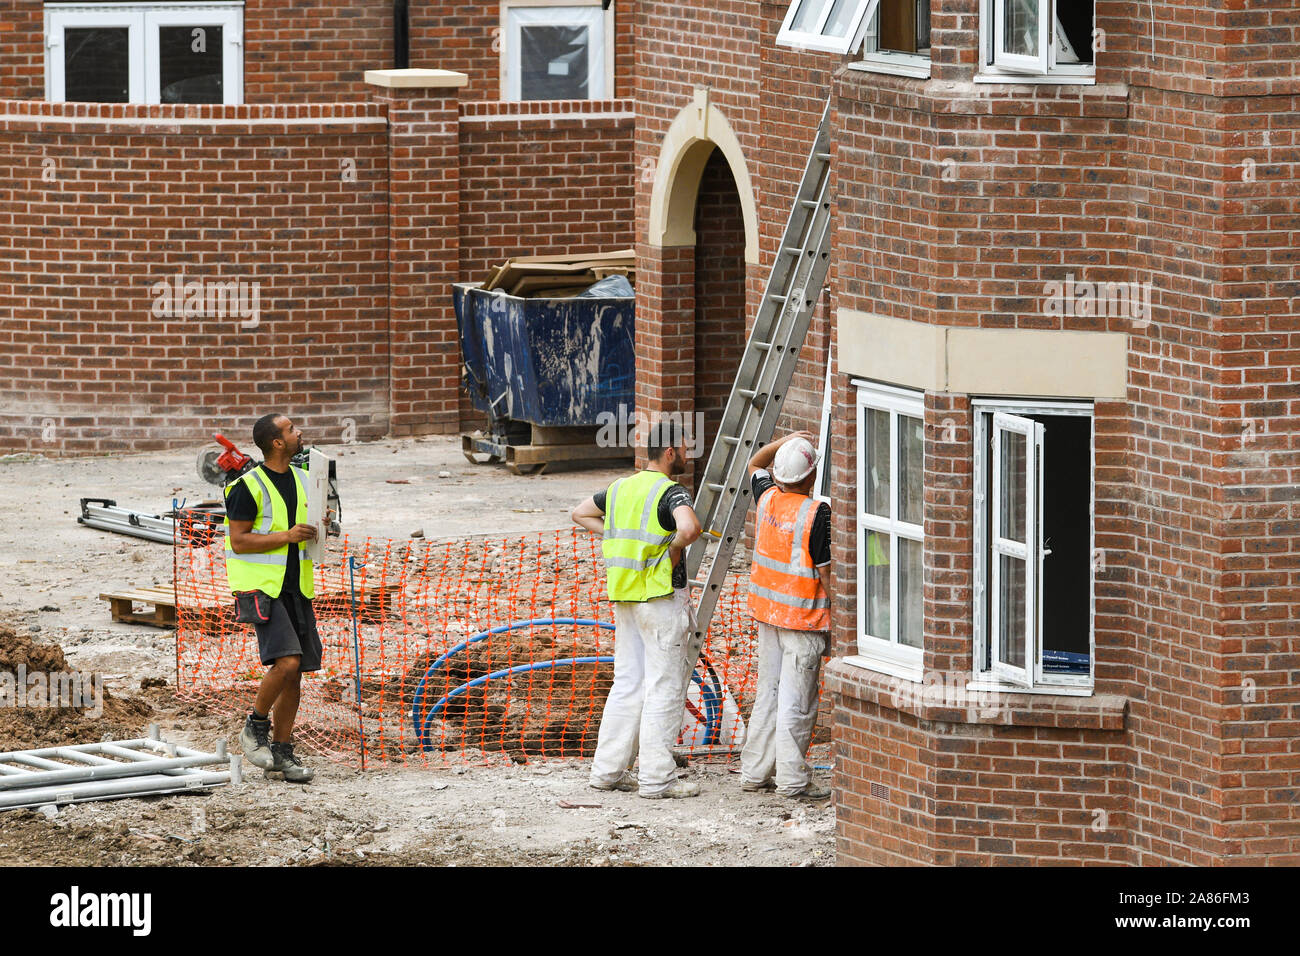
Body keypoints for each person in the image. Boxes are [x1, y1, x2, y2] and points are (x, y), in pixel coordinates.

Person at [570, 419, 704, 799]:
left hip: (626, 599)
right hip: (660, 600)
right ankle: (657, 778)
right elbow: (690, 528)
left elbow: (579, 513)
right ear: (669, 452)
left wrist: (616, 539)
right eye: (683, 448)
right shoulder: (670, 491)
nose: (686, 455)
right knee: (663, 687)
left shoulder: (619, 488)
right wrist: (672, 549)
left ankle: (608, 771)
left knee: (627, 683)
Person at [226, 413, 321, 784]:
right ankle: (255, 727)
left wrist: (321, 524)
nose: (300, 433)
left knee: (295, 674)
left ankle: (283, 752)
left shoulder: (303, 480)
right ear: (277, 443)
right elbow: (239, 540)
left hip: (297, 585)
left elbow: (305, 529)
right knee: (286, 662)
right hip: (263, 588)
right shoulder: (247, 486)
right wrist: (287, 535)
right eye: (292, 430)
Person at [739, 430, 832, 800]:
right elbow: (826, 572)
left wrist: (786, 440)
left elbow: (754, 462)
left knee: (769, 694)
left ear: (779, 476)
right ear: (810, 477)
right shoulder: (816, 513)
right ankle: (793, 780)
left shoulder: (767, 498)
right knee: (797, 701)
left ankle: (754, 771)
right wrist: (842, 620)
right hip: (803, 621)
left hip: (768, 616)